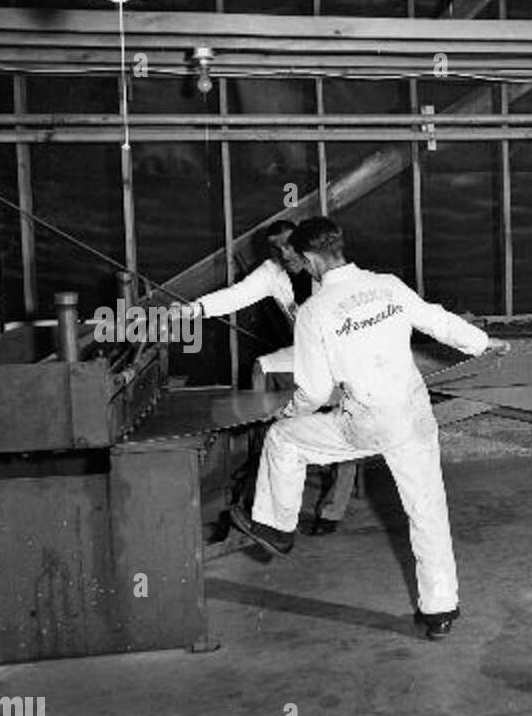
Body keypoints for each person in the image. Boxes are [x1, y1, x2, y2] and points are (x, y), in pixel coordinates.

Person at [228, 216, 510, 641]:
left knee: (283, 440)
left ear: (308, 258)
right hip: (413, 417)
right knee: (427, 512)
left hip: (364, 424)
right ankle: (440, 612)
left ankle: (278, 528)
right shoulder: (389, 285)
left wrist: (289, 413)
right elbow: (439, 321)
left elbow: (316, 390)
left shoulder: (314, 312)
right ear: (340, 246)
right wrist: (484, 343)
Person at [195, 220, 358, 535]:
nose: (284, 253)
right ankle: (262, 481)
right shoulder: (272, 272)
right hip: (306, 353)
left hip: (343, 358)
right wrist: (192, 310)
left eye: (289, 244)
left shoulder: (334, 275)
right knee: (263, 367)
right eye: (277, 247)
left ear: (307, 247)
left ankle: (332, 509)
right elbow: (235, 295)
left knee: (346, 418)